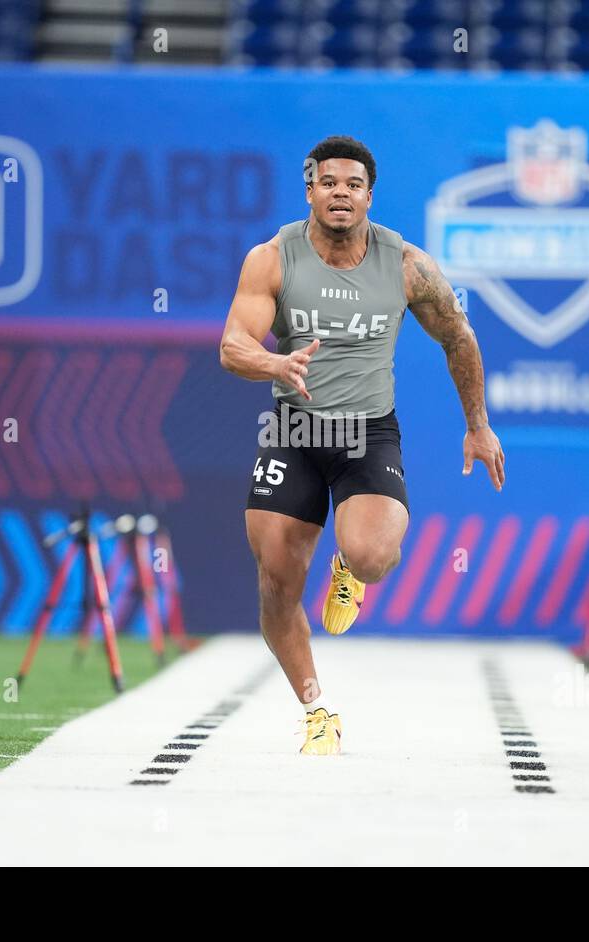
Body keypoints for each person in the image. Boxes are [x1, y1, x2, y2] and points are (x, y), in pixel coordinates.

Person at [219, 136, 505, 755]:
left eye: (352, 184)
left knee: (374, 555)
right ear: (310, 191)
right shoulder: (271, 258)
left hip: (366, 433)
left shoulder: (407, 265)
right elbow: (232, 345)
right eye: (328, 183)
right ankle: (317, 708)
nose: (340, 193)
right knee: (275, 578)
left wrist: (477, 424)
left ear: (369, 196)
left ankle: (349, 569)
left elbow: (458, 336)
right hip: (295, 431)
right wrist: (273, 365)